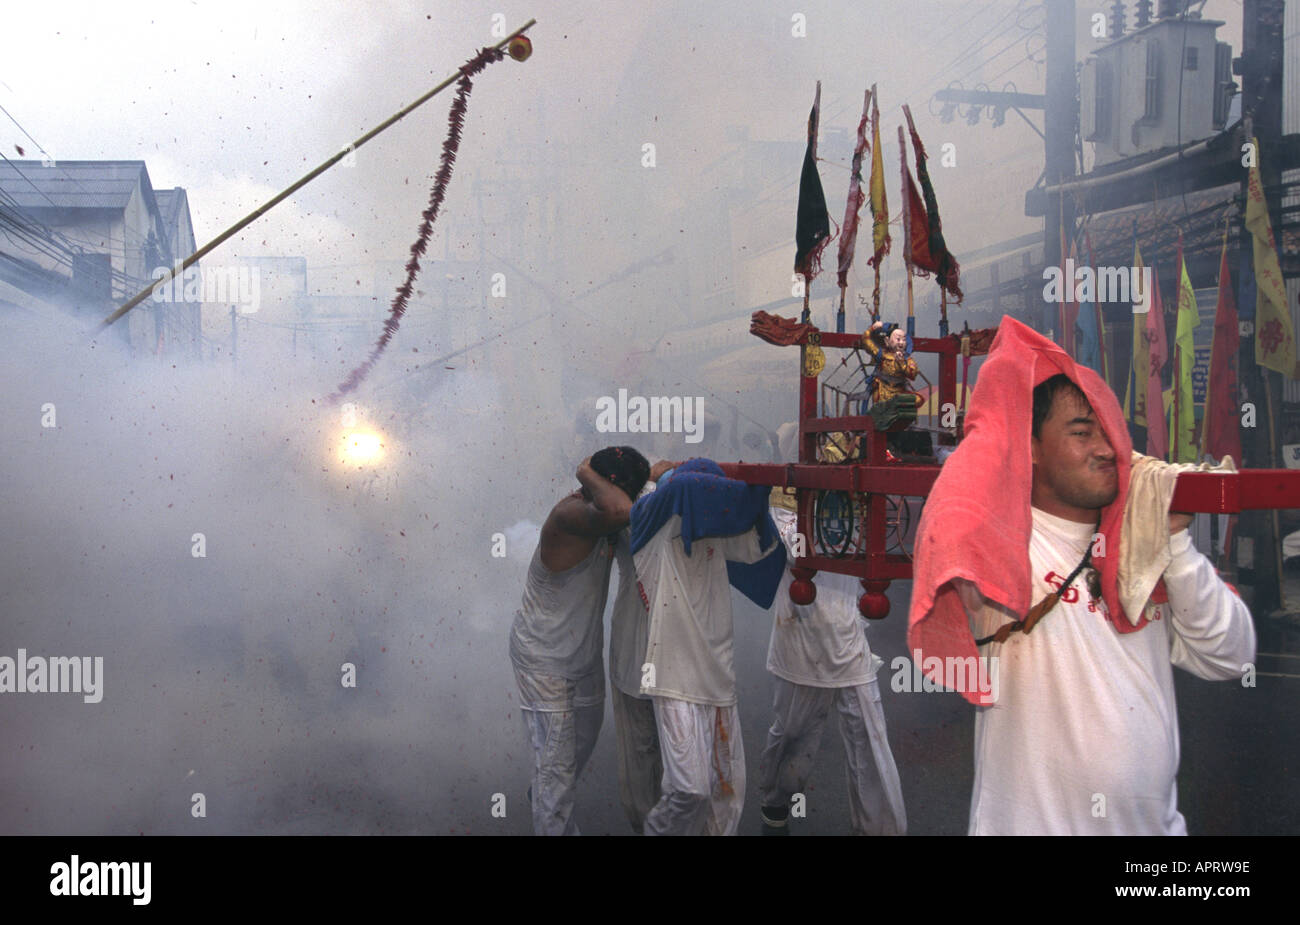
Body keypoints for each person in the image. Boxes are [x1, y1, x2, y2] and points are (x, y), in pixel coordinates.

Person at [908, 317, 1255, 836]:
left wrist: (1174, 541)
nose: (1106, 447)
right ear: (1028, 446)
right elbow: (960, 499)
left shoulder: (1140, 536)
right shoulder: (999, 546)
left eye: (1109, 430)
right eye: (1080, 431)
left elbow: (1232, 657)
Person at [630, 458, 785, 835]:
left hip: (719, 679)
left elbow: (760, 548)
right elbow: (686, 489)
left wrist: (758, 499)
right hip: (673, 677)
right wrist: (753, 480)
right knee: (689, 789)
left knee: (726, 798)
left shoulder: (712, 530)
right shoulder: (652, 521)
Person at [508, 446, 650, 836]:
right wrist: (584, 470)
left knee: (572, 755)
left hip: (582, 655)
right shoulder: (571, 515)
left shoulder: (601, 508)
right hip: (544, 659)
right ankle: (550, 814)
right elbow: (620, 510)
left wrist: (661, 470)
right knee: (556, 770)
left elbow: (626, 500)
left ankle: (544, 795)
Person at [757, 491, 907, 836]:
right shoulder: (786, 498)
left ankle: (878, 829)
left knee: (870, 741)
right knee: (793, 734)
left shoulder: (865, 496)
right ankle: (776, 804)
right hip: (799, 640)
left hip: (850, 643)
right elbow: (799, 554)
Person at [607, 458, 676, 834]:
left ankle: (648, 826)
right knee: (677, 752)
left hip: (637, 649)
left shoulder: (616, 513)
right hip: (663, 650)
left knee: (640, 751)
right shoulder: (674, 506)